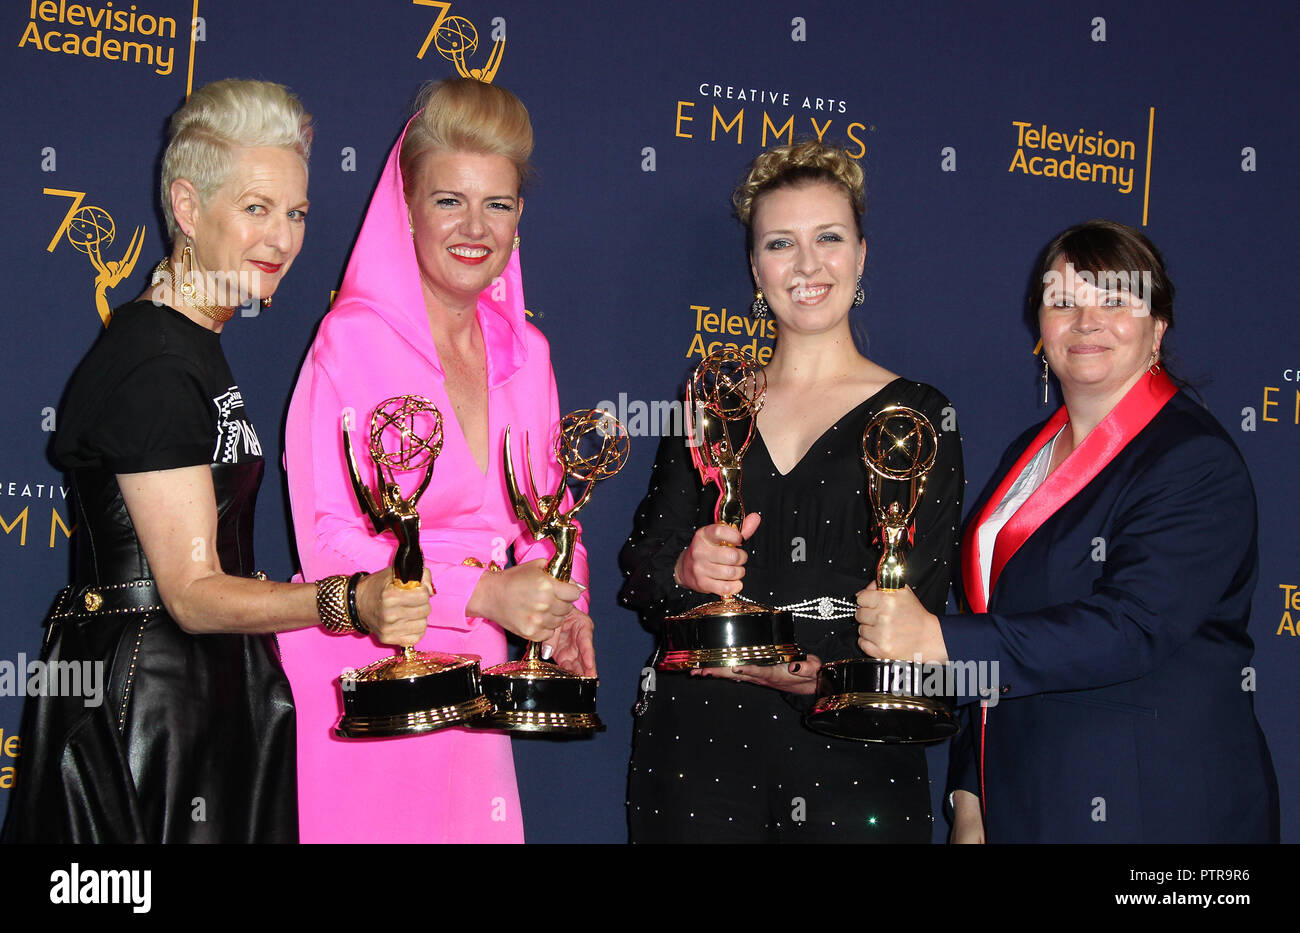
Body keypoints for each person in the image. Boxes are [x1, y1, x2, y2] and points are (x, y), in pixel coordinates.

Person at [0, 79, 432, 844]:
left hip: (199, 696)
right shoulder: (152, 360)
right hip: (140, 719)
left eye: (295, 212)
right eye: (256, 208)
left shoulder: (190, 343)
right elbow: (194, 592)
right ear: (190, 209)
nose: (283, 238)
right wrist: (347, 601)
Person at [857, 219, 1281, 843]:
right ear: (1040, 328)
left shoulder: (1192, 458)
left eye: (1114, 300)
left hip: (1156, 811)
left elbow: (1132, 627)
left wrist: (940, 640)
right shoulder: (1028, 454)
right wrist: (971, 791)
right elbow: (999, 618)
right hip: (1025, 800)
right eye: (1063, 302)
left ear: (1157, 327)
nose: (1086, 321)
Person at [619, 141, 963, 843]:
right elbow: (644, 572)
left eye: (828, 239)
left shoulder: (916, 417)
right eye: (782, 243)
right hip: (698, 754)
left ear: (861, 255)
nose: (807, 265)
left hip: (851, 747)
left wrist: (823, 673)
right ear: (755, 267)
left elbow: (919, 600)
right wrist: (687, 569)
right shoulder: (715, 402)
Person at [282, 77, 595, 844]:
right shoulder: (349, 342)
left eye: (499, 203)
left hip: (479, 685)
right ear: (406, 207)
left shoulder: (530, 354)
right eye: (449, 199)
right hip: (366, 678)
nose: (475, 227)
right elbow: (329, 545)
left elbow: (549, 517)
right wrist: (483, 592)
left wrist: (567, 606)